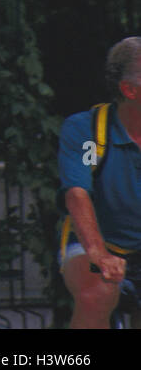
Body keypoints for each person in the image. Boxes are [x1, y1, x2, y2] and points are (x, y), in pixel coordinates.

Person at [58, 36, 141, 327]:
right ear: (129, 90)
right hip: (99, 244)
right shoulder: (87, 129)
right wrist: (99, 253)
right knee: (96, 294)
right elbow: (77, 194)